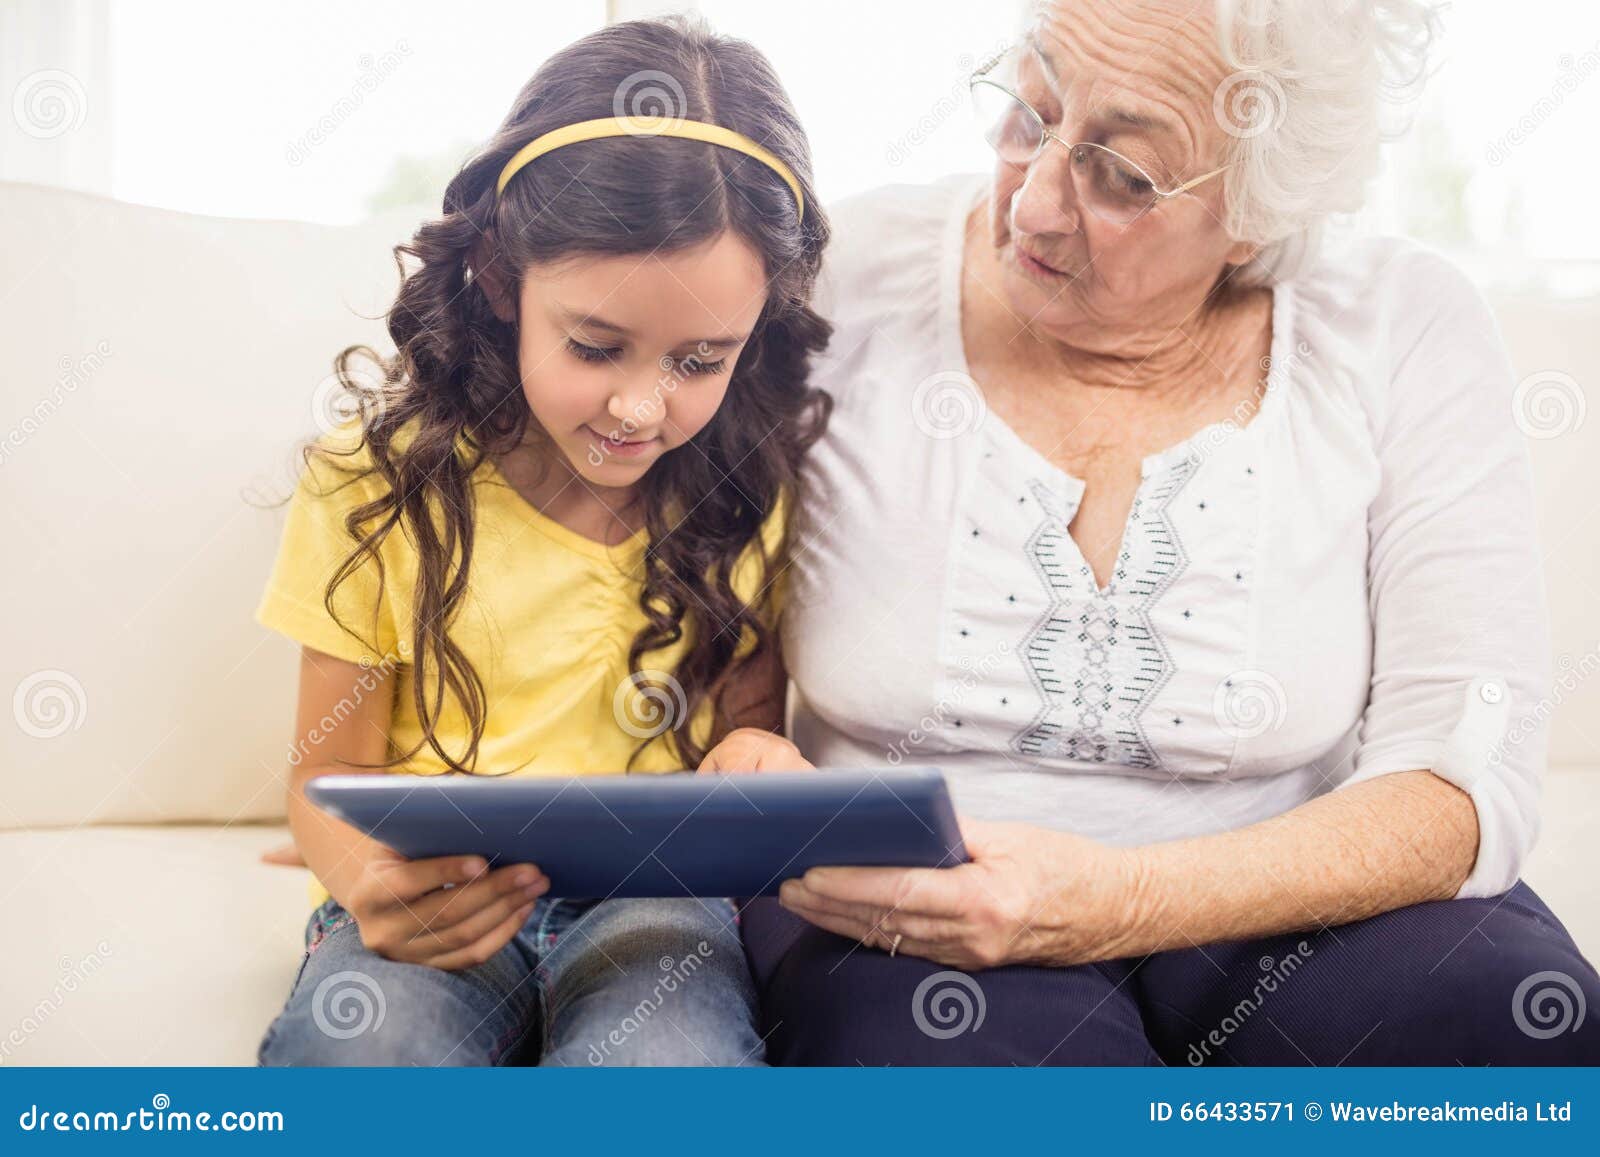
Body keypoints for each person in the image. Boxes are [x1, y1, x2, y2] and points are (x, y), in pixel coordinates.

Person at [254, 15, 830, 1066]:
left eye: (700, 360)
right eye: (596, 346)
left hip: (657, 895)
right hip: (438, 888)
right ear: (499, 275)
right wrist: (368, 881)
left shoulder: (746, 492)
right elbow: (320, 778)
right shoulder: (374, 483)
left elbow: (740, 738)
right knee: (369, 1055)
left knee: (669, 1069)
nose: (639, 408)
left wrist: (762, 758)